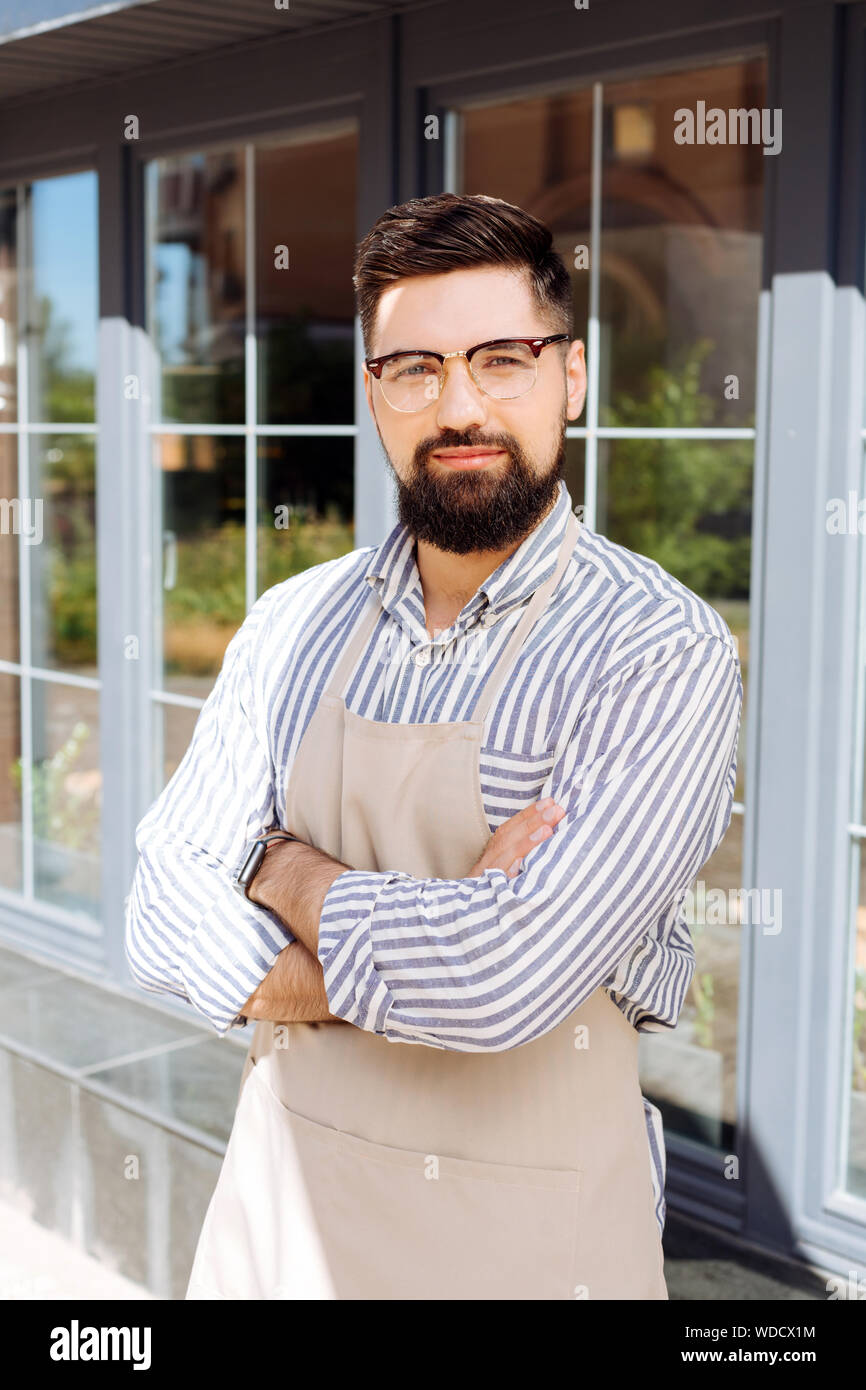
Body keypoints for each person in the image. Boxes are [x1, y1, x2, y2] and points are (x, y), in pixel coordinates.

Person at [125, 192, 743, 1301]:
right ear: (372, 393)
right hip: (280, 1219)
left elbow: (500, 980)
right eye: (413, 367)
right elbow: (160, 905)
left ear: (571, 375)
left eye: (501, 358)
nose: (457, 404)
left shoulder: (657, 650)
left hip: (529, 1244)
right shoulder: (290, 623)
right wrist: (443, 927)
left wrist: (287, 869)